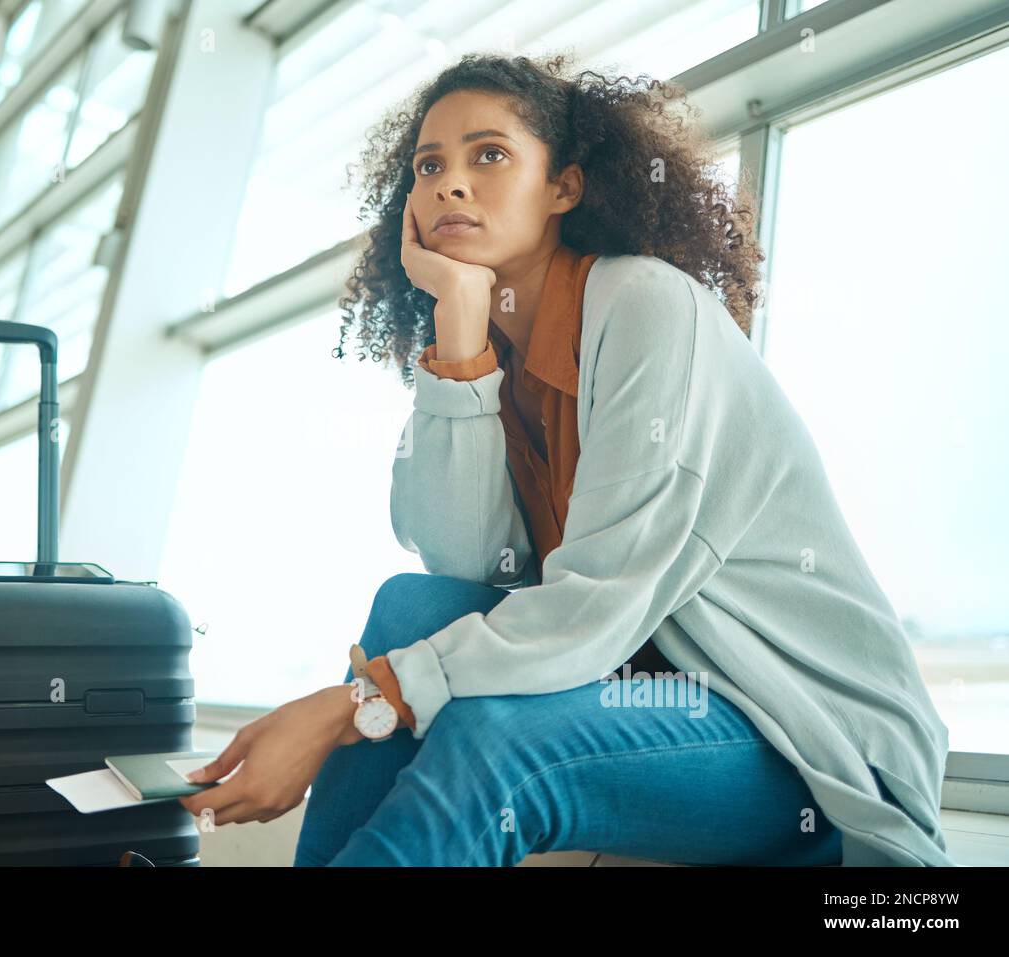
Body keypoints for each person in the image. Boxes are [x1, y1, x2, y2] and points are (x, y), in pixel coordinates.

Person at [176, 53, 954, 867]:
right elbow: (466, 562)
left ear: (565, 188)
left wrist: (354, 705)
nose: (449, 183)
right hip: (647, 690)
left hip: (800, 736)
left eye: (489, 155)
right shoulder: (491, 350)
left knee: (495, 738)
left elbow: (596, 602)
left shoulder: (649, 305)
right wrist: (463, 334)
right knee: (410, 602)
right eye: (429, 165)